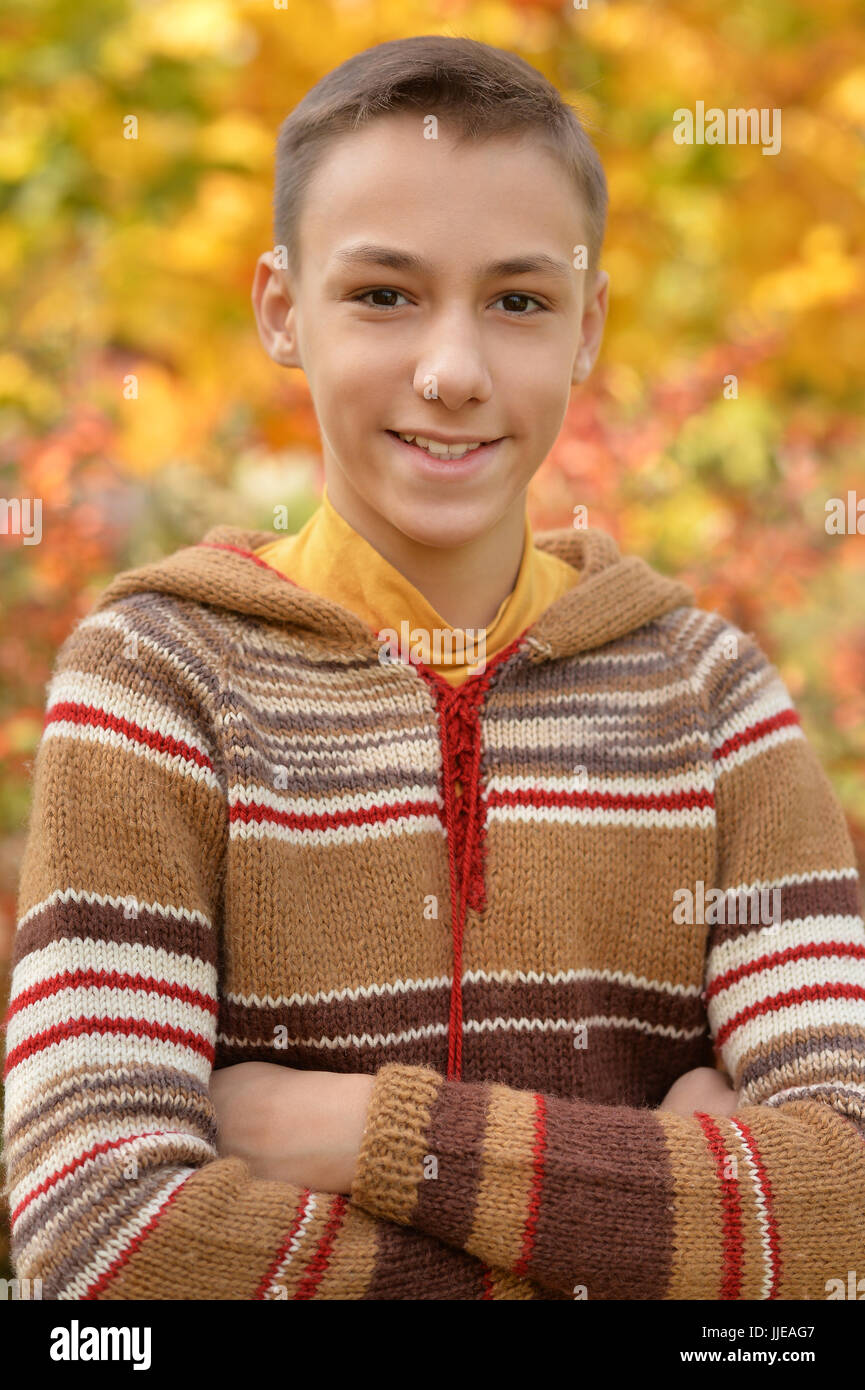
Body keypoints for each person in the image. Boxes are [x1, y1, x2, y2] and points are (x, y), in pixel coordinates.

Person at [3, 35, 864, 1302]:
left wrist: (363, 1133)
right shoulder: (156, 684)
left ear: (588, 328)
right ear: (281, 311)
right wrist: (666, 1211)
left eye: (517, 300)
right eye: (384, 295)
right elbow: (98, 1248)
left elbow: (841, 1203)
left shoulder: (713, 704)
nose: (451, 372)